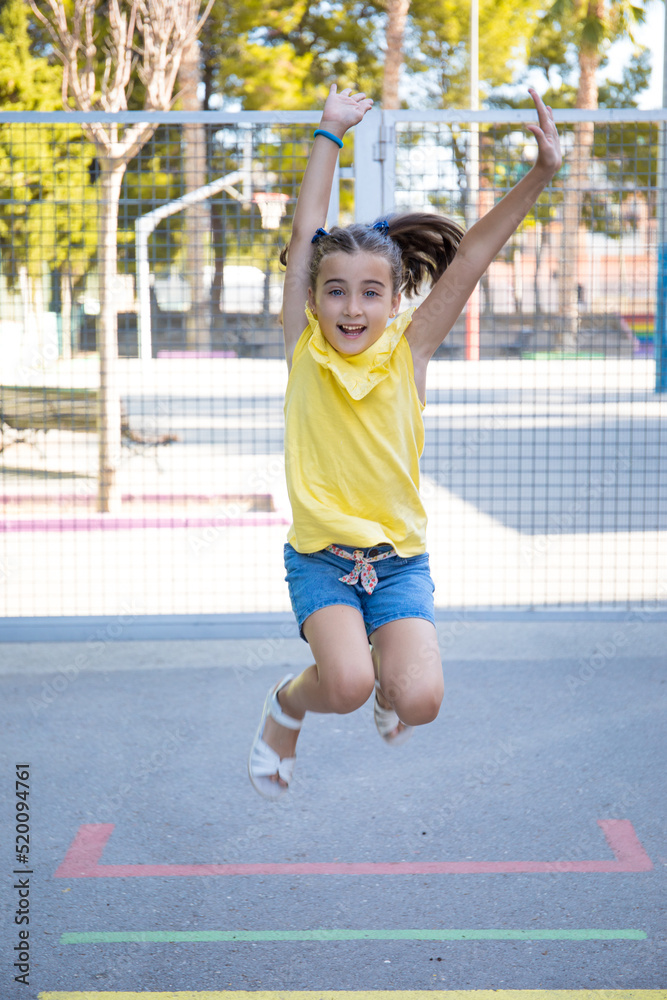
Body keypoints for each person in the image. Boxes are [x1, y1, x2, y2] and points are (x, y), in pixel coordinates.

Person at [249, 83, 562, 799]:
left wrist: (540, 172)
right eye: (334, 290)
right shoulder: (303, 350)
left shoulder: (410, 352)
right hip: (322, 559)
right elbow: (305, 235)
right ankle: (284, 706)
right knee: (348, 683)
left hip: (397, 562)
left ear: (394, 302)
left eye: (368, 292)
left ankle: (395, 687)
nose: (350, 306)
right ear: (312, 300)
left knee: (417, 700)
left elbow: (475, 252)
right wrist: (329, 129)